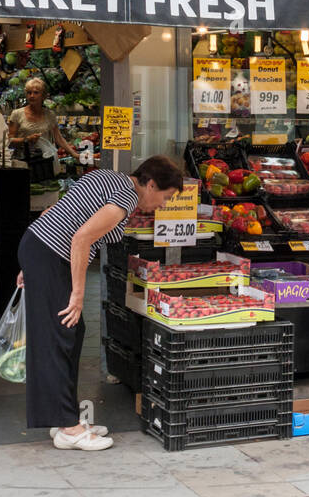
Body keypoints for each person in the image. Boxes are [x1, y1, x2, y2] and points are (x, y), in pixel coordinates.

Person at [16, 155, 183, 450]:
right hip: (51, 256)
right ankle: (69, 427)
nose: (163, 205)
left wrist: (31, 262)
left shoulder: (107, 177)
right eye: (165, 197)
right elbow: (81, 239)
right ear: (152, 184)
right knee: (61, 334)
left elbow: (54, 211)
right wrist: (78, 295)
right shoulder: (126, 196)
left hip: (40, 249)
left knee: (70, 333)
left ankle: (63, 418)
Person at [6, 76, 81, 172]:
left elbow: (58, 138)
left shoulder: (50, 115)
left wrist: (74, 154)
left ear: (44, 96)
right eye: (29, 93)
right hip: (23, 163)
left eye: (36, 93)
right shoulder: (17, 114)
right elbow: (9, 140)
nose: (31, 96)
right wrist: (26, 139)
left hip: (45, 162)